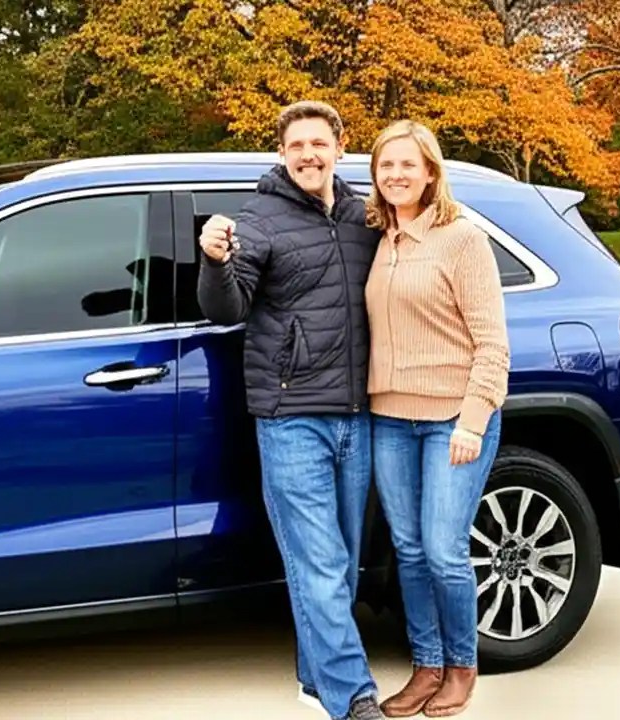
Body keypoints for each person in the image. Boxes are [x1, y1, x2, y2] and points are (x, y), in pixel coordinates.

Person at [198, 100, 385, 720]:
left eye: (318, 143)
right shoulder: (259, 220)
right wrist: (216, 261)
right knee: (320, 562)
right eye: (296, 145)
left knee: (341, 563)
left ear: (338, 147)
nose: (308, 154)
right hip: (292, 416)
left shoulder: (366, 216)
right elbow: (227, 309)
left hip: (356, 414)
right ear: (281, 154)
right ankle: (352, 697)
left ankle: (315, 677)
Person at [362, 119, 510, 717]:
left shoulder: (460, 240)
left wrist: (473, 421)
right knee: (409, 548)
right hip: (390, 420)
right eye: (385, 165)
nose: (396, 175)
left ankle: (462, 665)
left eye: (407, 165)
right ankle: (426, 666)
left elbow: (493, 346)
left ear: (430, 172)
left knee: (445, 550)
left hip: (454, 417)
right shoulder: (380, 238)